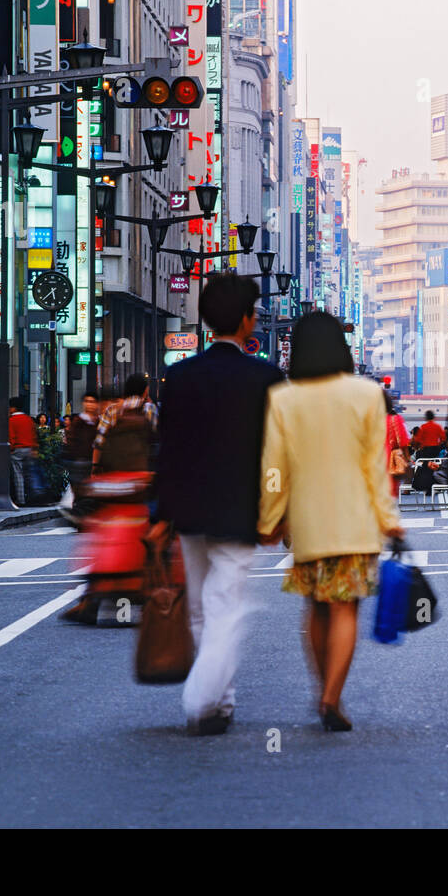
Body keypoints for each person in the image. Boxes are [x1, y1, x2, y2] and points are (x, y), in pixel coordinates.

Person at [258, 311, 402, 730]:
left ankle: (321, 688)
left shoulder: (283, 398)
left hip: (306, 519)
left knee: (316, 606)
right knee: (345, 607)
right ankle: (332, 697)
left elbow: (274, 468)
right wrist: (388, 517)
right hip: (354, 519)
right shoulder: (366, 395)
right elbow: (374, 467)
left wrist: (270, 518)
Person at [155, 273, 284, 737]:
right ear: (248, 319)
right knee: (225, 603)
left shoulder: (181, 376)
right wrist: (277, 512)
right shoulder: (267, 378)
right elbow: (276, 453)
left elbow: (168, 450)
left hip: (190, 507)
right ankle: (204, 699)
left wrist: (161, 514)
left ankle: (219, 702)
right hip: (240, 507)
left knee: (200, 606)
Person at [93, 374, 159, 473]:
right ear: (145, 391)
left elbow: (99, 442)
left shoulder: (111, 410)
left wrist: (95, 467)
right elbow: (157, 434)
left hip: (115, 469)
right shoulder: (150, 409)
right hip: (142, 468)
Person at [64, 391, 101, 488]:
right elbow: (71, 440)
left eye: (92, 402)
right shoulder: (78, 421)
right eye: (87, 401)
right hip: (80, 463)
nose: (89, 404)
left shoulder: (100, 422)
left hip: (95, 464)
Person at [7, 397, 38, 506]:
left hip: (18, 450)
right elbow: (34, 434)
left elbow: (11, 438)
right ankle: (33, 497)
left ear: (13, 408)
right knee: (30, 475)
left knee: (18, 475)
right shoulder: (28, 419)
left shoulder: (11, 420)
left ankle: (21, 500)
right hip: (29, 449)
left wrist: (11, 450)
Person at [384, 390, 410, 498]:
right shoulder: (395, 419)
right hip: (390, 461)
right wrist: (408, 459)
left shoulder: (368, 419)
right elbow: (403, 442)